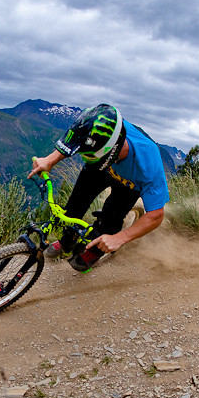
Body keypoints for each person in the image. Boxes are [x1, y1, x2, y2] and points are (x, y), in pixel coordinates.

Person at [28, 104, 169, 272]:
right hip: (100, 166)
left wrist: (120, 238)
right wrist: (50, 160)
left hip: (129, 183)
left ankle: (95, 250)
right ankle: (67, 240)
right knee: (74, 205)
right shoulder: (104, 127)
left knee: (111, 218)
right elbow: (77, 137)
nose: (84, 158)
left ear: (111, 150)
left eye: (89, 155)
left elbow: (156, 215)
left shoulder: (148, 165)